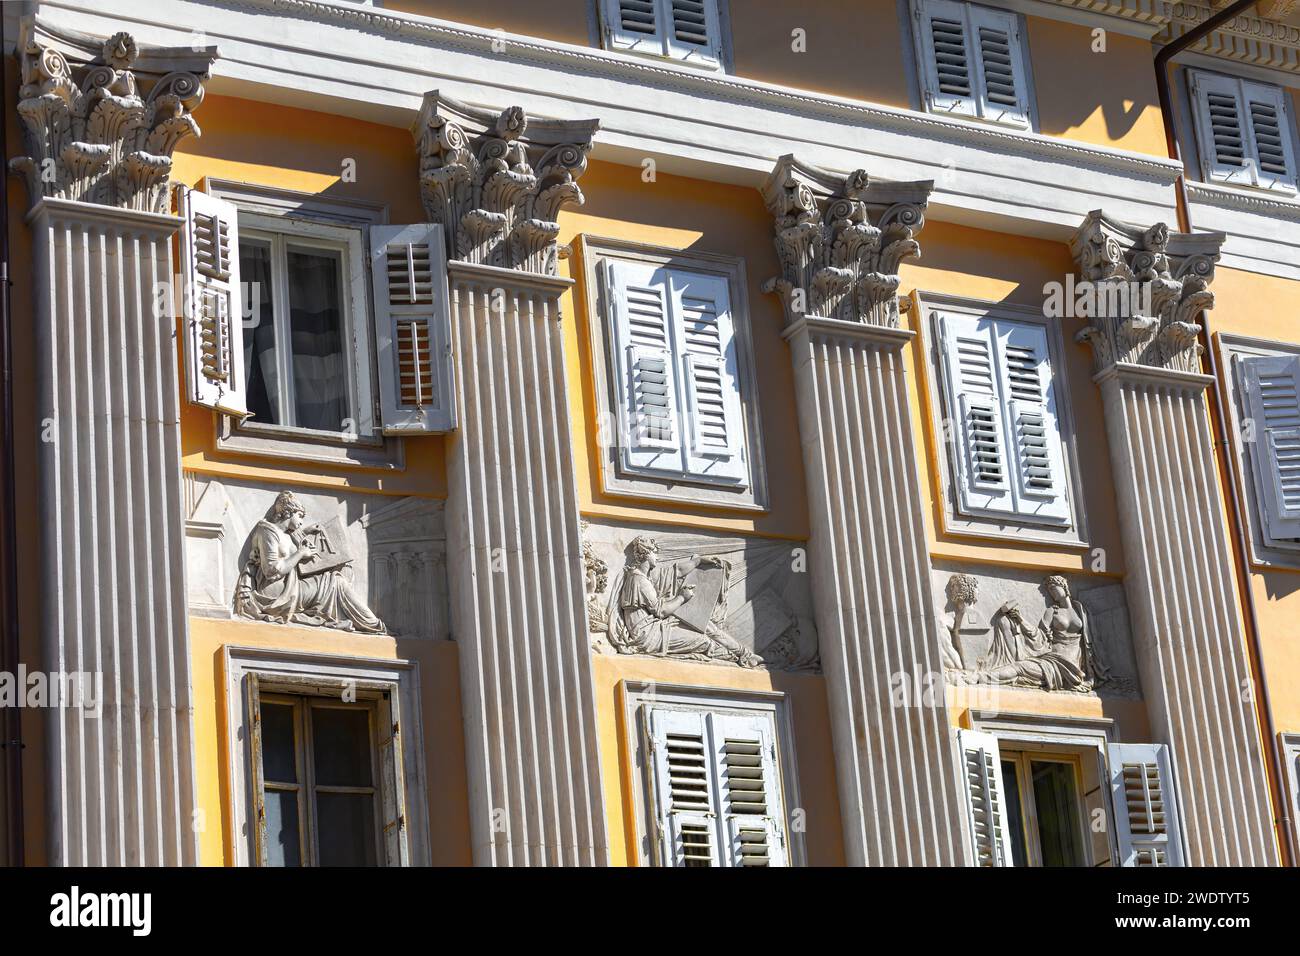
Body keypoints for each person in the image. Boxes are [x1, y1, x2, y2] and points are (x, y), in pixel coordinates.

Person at [234, 491, 386, 634]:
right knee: (336, 582)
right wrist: (301, 553)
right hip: (277, 593)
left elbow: (286, 547)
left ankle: (341, 617)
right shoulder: (268, 531)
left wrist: (307, 532)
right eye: (300, 516)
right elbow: (271, 570)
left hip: (289, 586)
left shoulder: (284, 534)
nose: (300, 522)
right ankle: (372, 624)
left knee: (339, 573)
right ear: (289, 512)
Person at [609, 535, 759, 667]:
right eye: (655, 553)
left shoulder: (643, 576)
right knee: (703, 641)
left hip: (655, 628)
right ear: (647, 554)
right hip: (649, 636)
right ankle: (736, 658)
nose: (658, 557)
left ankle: (744, 654)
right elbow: (661, 611)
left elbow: (676, 572)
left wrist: (698, 561)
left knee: (705, 625)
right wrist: (682, 597)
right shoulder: (639, 581)